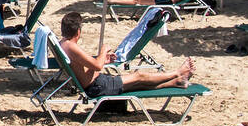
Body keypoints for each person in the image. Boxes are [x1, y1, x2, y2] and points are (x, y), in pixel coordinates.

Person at [58, 11, 196, 97]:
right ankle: (177, 73)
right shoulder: (72, 46)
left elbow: (86, 67)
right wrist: (103, 50)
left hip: (96, 84)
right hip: (98, 86)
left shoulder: (63, 43)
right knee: (139, 76)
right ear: (78, 32)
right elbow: (97, 66)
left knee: (139, 84)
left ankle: (176, 82)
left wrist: (104, 60)